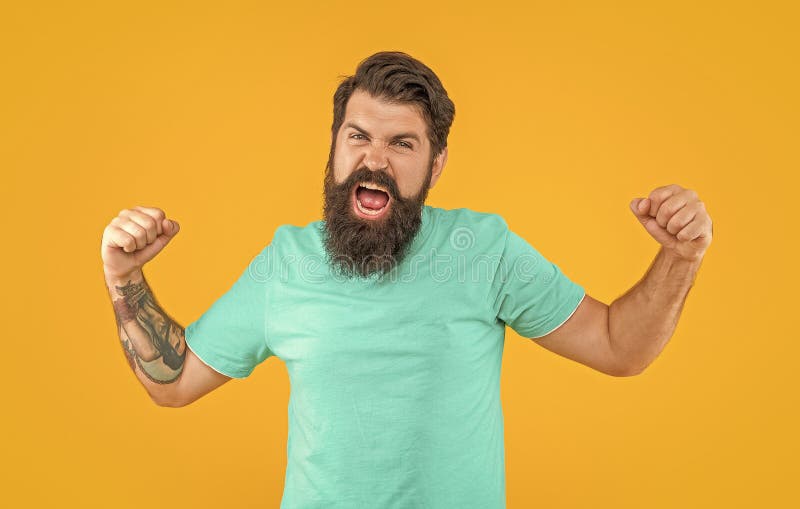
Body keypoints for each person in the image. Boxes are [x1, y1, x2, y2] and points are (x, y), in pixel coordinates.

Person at [101, 51, 713, 508]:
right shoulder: (285, 262)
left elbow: (619, 346)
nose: (376, 160)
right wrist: (123, 274)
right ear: (335, 146)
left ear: (435, 164)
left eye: (403, 143)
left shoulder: (484, 249)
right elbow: (173, 383)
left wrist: (679, 257)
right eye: (358, 136)